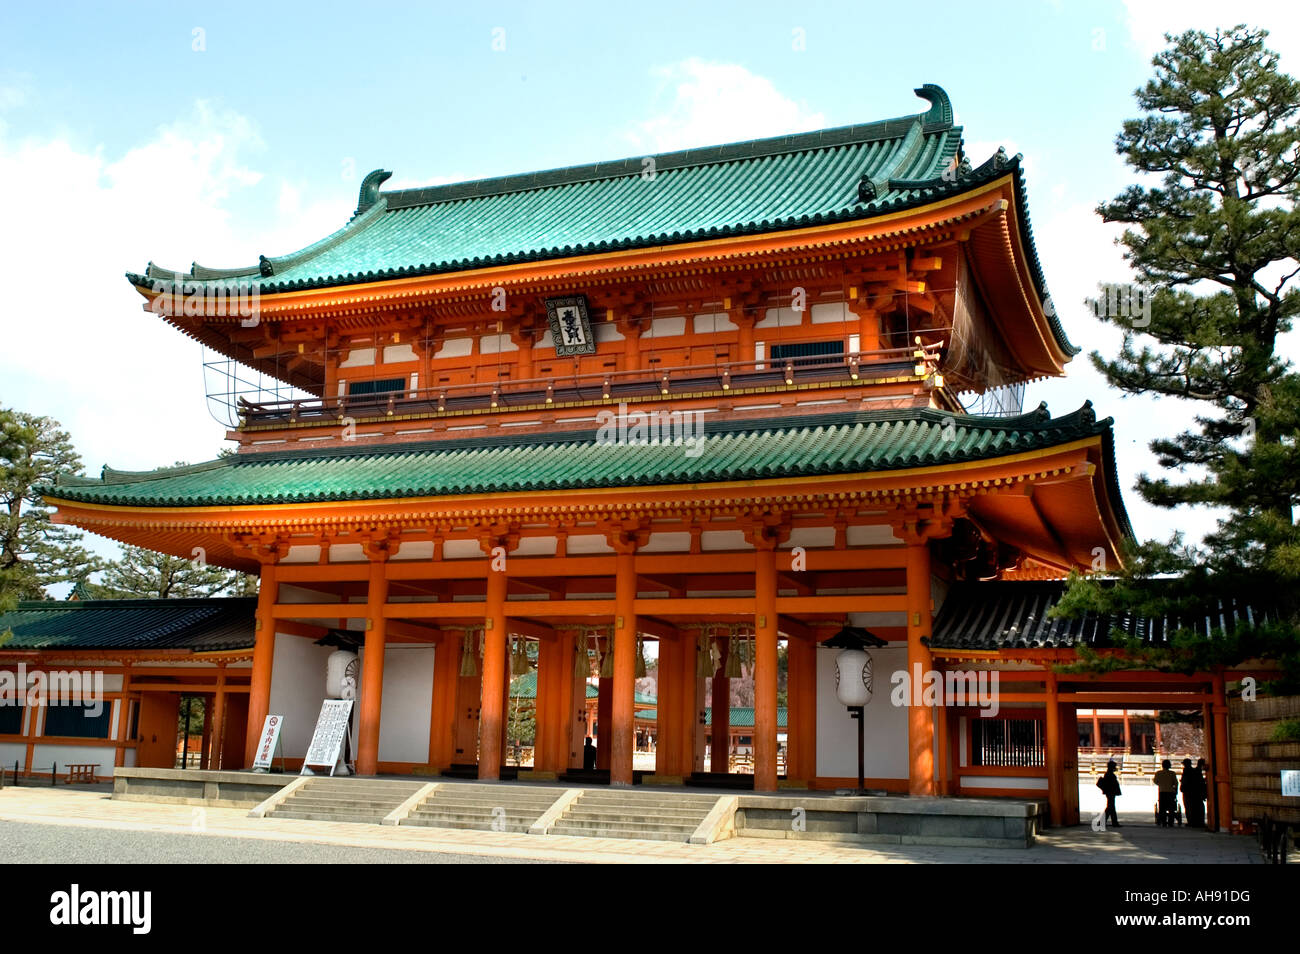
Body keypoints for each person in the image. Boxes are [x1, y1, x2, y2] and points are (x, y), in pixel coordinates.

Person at [1153, 758, 1179, 827]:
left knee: (1162, 808)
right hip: (1171, 792)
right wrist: (1176, 790)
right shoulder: (1172, 773)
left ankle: (1163, 821)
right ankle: (1171, 822)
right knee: (1171, 808)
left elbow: (1155, 781)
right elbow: (1176, 783)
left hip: (1162, 792)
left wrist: (1161, 784)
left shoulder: (1158, 773)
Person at [1097, 759, 1122, 828]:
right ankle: (1112, 822)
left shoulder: (1108, 774)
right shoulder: (1109, 774)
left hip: (1110, 792)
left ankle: (1111, 822)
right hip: (1110, 792)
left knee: (1110, 808)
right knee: (1110, 808)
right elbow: (1111, 785)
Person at [1185, 758, 1207, 828]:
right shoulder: (1197, 771)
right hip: (1197, 792)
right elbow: (1199, 782)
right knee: (1198, 808)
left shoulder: (1191, 771)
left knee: (1193, 807)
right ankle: (1199, 822)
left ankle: (1194, 822)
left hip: (1192, 792)